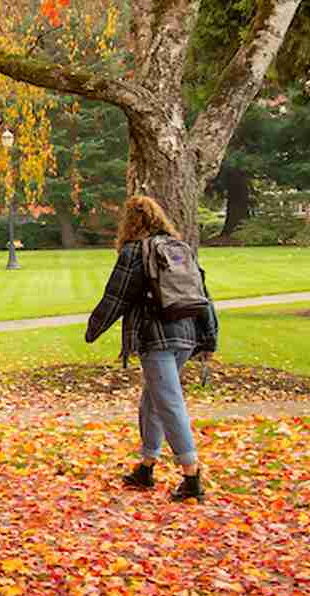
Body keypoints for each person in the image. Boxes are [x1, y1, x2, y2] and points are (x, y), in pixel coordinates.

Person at [87, 196, 220, 502]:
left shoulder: (135, 252)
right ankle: (146, 467)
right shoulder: (180, 248)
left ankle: (191, 476)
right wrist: (209, 338)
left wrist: (93, 329)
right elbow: (204, 295)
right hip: (187, 333)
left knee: (169, 402)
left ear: (130, 222)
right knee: (153, 399)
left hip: (155, 336)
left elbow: (115, 297)